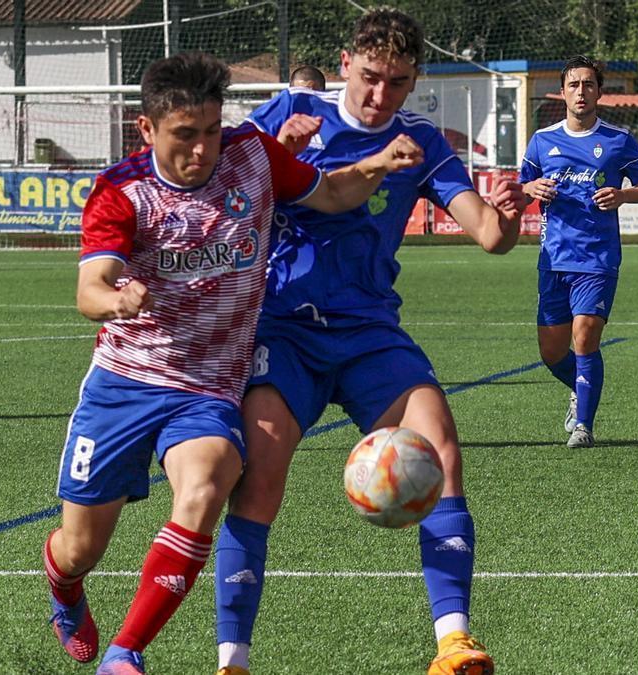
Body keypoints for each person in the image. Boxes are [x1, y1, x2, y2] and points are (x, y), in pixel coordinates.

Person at [41, 51, 423, 675]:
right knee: (81, 547)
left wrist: (378, 163)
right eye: (185, 136)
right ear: (148, 130)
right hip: (125, 383)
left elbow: (328, 193)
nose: (202, 150)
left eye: (211, 131)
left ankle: (125, 653)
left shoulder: (251, 154)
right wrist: (116, 297)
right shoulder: (121, 191)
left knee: (207, 484)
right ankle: (65, 590)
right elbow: (90, 287)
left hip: (210, 387)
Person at [213, 9, 526, 675]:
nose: (379, 94)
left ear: (413, 84)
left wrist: (511, 206)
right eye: (372, 76)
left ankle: (454, 643)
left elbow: (490, 235)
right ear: (347, 61)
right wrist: (281, 156)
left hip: (368, 331)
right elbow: (220, 192)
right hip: (283, 325)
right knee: (260, 476)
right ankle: (232, 658)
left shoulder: (422, 143)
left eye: (397, 82)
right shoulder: (291, 110)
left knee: (440, 445)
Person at [519, 55, 638, 449]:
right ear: (563, 92)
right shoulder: (543, 140)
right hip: (553, 259)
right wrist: (532, 189)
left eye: (588, 84)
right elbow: (520, 185)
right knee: (551, 352)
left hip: (597, 259)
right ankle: (582, 387)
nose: (582, 91)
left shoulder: (618, 140)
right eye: (574, 85)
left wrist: (623, 194)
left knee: (585, 337)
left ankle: (583, 426)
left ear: (599, 91)